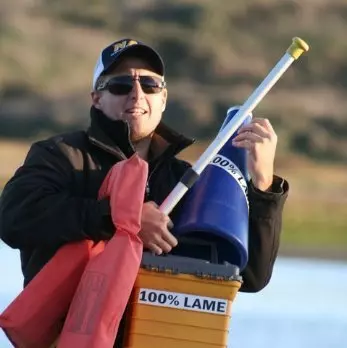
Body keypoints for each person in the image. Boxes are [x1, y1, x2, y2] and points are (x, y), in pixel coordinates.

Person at [0, 38, 288, 346]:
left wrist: (263, 185)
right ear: (96, 98)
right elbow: (12, 218)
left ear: (163, 98)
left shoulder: (188, 179)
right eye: (121, 84)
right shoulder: (60, 155)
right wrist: (121, 218)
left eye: (150, 84)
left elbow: (251, 275)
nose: (137, 94)